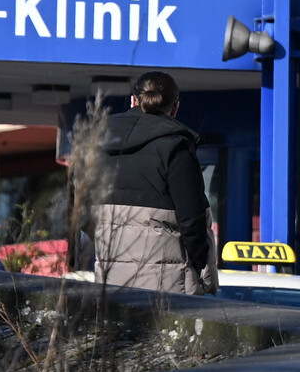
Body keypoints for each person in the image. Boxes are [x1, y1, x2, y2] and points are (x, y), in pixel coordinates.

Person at [92, 71, 219, 295]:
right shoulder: (176, 147)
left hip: (110, 284)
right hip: (167, 288)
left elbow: (83, 212)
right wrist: (203, 271)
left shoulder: (99, 144)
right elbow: (192, 220)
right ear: (175, 107)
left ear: (133, 101)